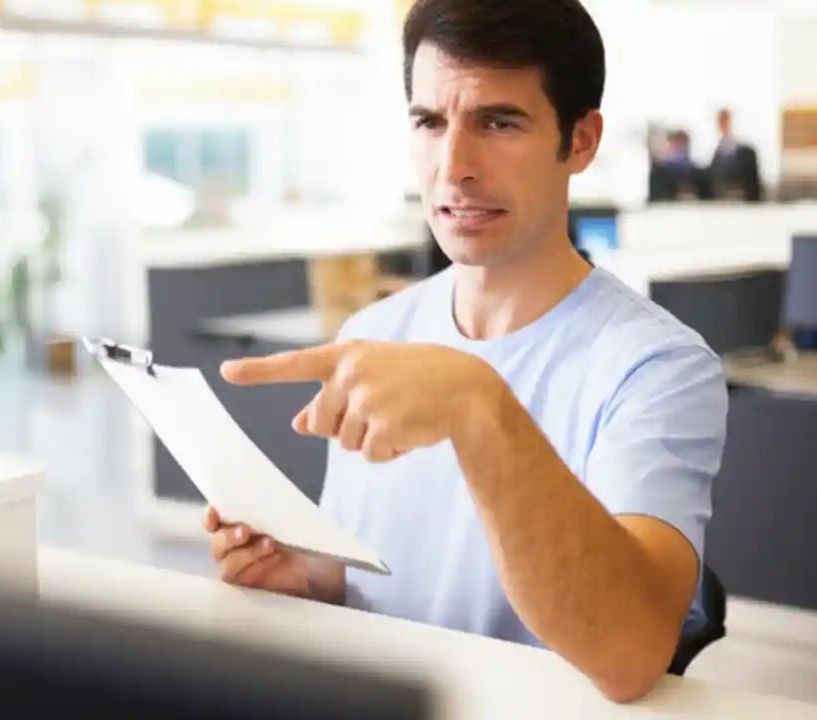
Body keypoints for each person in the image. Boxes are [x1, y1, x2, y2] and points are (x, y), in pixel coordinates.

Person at [203, 0, 728, 704]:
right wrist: (308, 575)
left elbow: (632, 653)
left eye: (499, 121)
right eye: (429, 122)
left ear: (580, 140)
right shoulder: (376, 331)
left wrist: (477, 404)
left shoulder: (656, 368)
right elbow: (381, 577)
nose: (454, 165)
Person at [708, 108, 763, 202]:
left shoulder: (742, 149)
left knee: (748, 153)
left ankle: (754, 197)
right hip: (723, 169)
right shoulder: (719, 148)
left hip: (737, 166)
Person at [648, 130, 712, 202]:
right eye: (677, 143)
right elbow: (657, 198)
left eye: (683, 144)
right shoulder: (659, 173)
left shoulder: (700, 174)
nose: (681, 147)